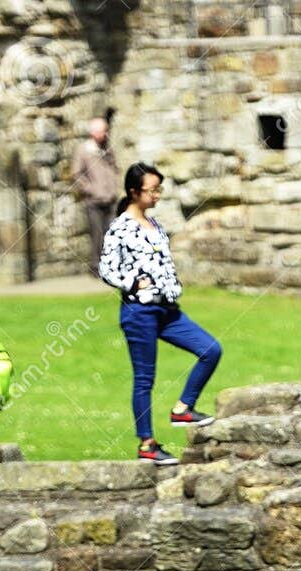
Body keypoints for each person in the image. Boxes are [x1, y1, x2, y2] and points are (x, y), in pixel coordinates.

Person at [98, 162, 223, 466]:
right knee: (145, 380)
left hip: (168, 310)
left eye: (159, 189)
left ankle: (183, 409)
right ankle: (147, 444)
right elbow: (105, 268)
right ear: (133, 192)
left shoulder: (156, 225)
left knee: (210, 349)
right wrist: (131, 283)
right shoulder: (120, 228)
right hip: (139, 312)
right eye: (151, 190)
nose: (156, 195)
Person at [72, 117, 119, 276]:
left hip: (110, 198)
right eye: (101, 131)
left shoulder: (108, 149)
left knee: (111, 234)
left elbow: (114, 168)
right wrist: (91, 189)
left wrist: (114, 187)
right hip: (94, 201)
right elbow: (76, 174)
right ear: (93, 132)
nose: (104, 134)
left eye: (105, 131)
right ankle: (95, 267)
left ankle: (111, 266)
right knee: (96, 234)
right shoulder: (83, 150)